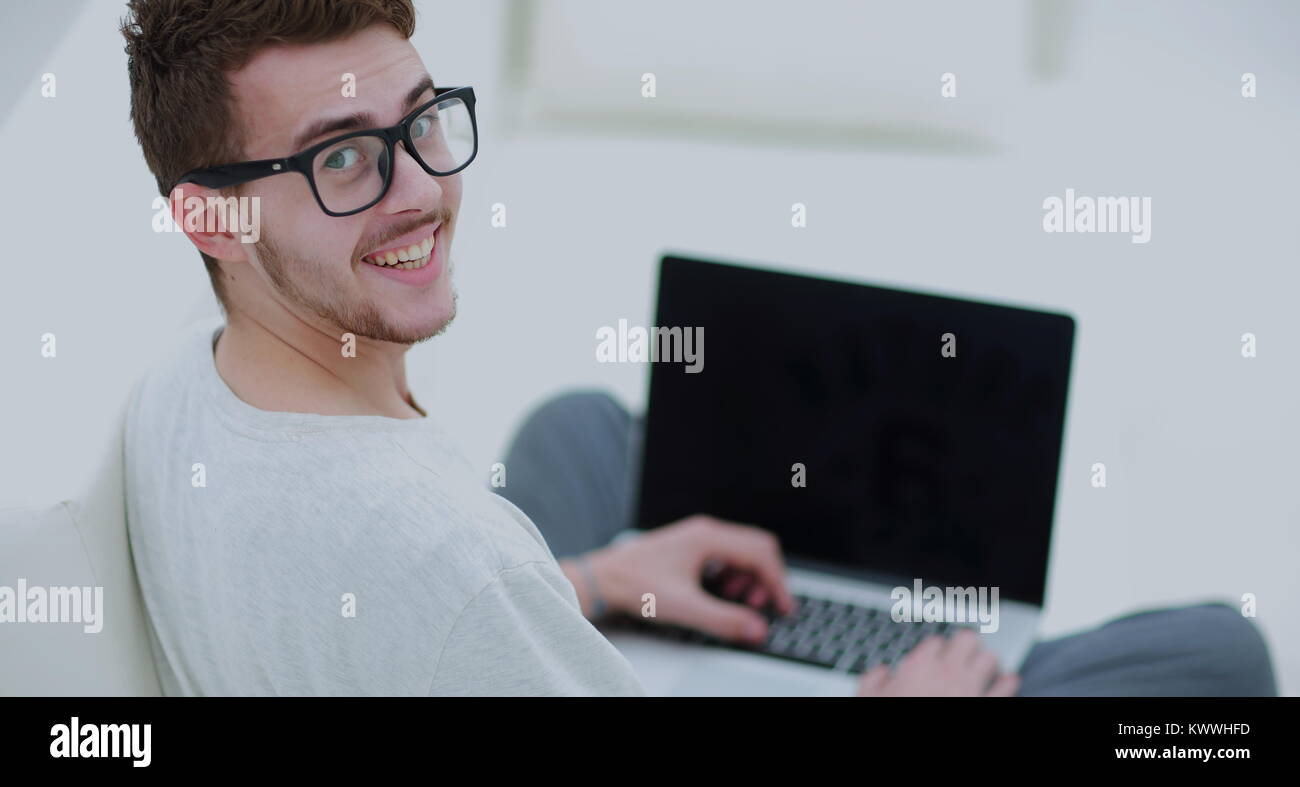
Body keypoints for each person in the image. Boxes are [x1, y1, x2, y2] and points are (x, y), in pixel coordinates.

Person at [120, 0, 1276, 697]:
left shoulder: (184, 386)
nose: (421, 192)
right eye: (341, 160)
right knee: (1215, 656)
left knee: (583, 428)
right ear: (207, 214)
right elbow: (454, 591)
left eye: (420, 122)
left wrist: (593, 581)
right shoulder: (449, 558)